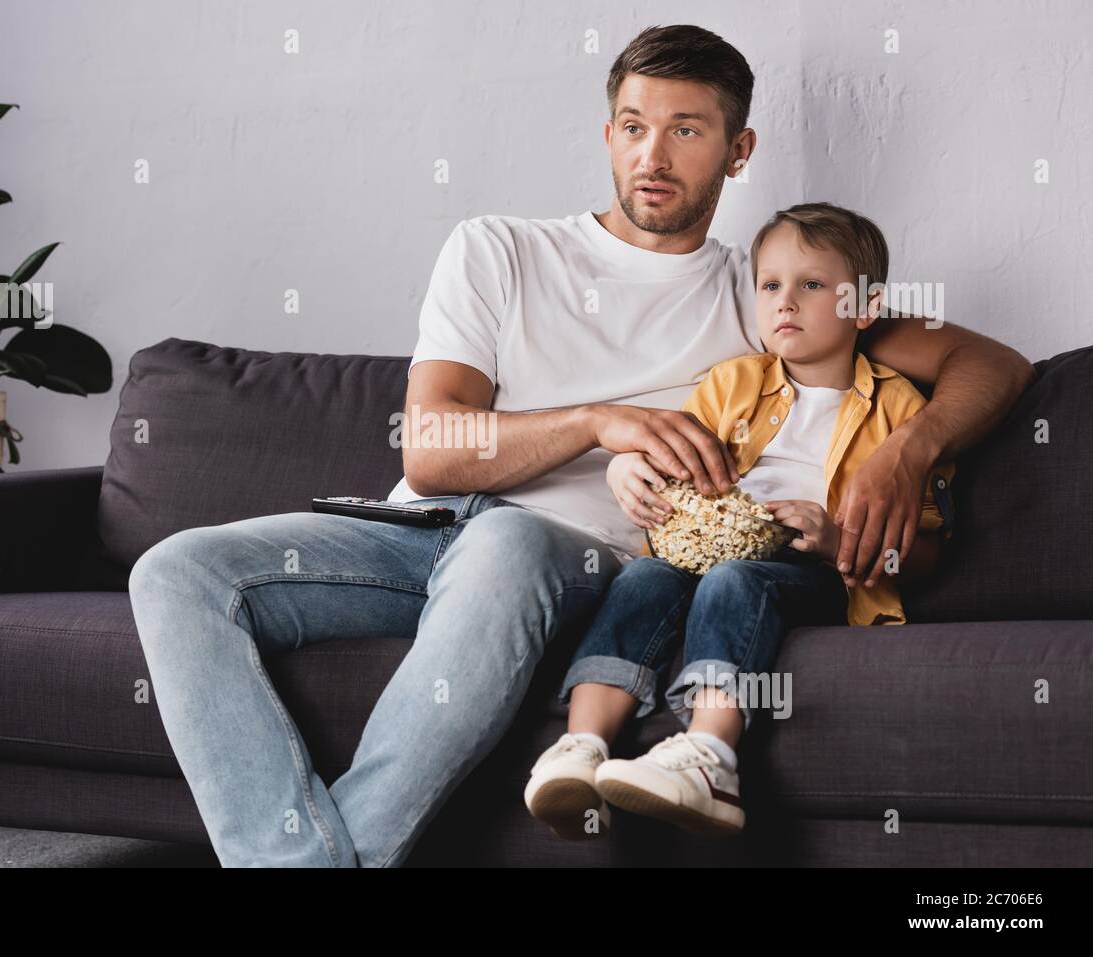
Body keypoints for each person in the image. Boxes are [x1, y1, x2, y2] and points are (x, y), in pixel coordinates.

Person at [128, 24, 1033, 867]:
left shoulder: (760, 293)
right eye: (634, 126)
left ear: (738, 151)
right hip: (421, 530)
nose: (653, 154)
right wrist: (599, 422)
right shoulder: (500, 249)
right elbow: (432, 449)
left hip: (572, 561)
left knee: (509, 538)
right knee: (175, 571)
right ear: (607, 134)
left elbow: (989, 363)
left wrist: (907, 451)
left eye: (686, 130)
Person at [525, 202, 957, 840]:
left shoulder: (901, 408)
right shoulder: (730, 384)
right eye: (771, 285)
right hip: (701, 555)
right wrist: (627, 470)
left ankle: (710, 758)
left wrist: (839, 538)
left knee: (736, 580)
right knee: (644, 579)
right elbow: (668, 461)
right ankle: (582, 746)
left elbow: (927, 553)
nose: (786, 302)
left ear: (865, 307)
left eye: (812, 285)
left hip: (819, 574)